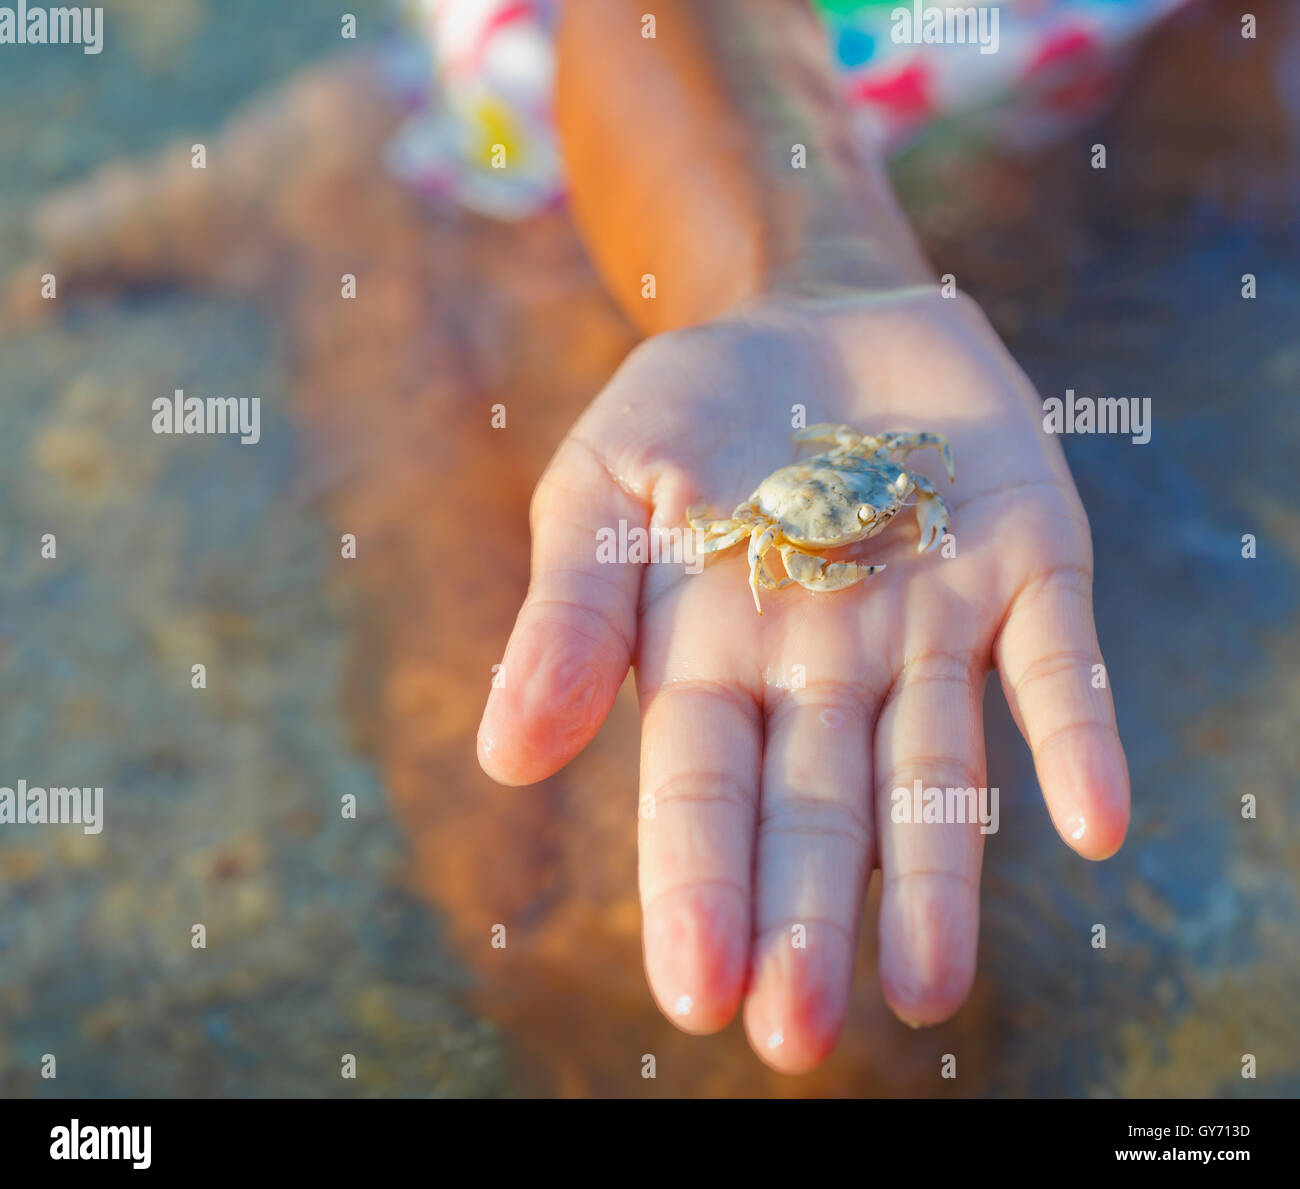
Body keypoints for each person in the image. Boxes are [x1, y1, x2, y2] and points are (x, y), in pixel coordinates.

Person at [463, 0, 1152, 1074]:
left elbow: (911, 469)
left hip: (1052, 54)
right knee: (544, 911)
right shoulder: (781, 532)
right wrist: (805, 276)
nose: (885, 520)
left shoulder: (881, 474)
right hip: (609, 101)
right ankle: (341, 164)